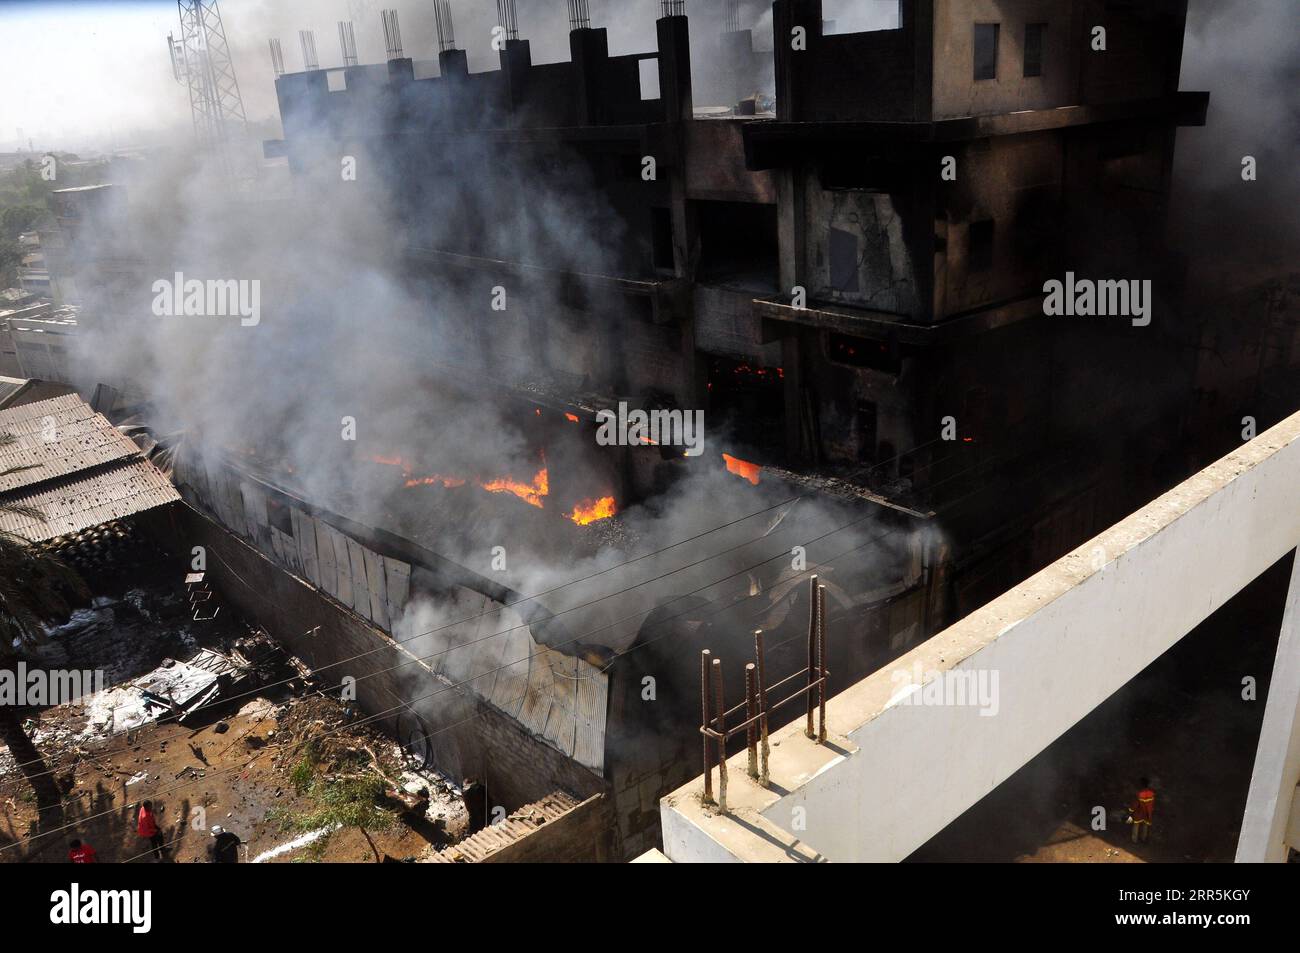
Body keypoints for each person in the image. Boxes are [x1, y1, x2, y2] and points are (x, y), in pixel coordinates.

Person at [1130, 778, 1156, 843]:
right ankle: (1143, 839)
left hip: (1139, 812)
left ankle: (1134, 840)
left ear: (1141, 784)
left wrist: (1131, 810)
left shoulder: (1139, 794)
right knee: (1145, 826)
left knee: (1136, 826)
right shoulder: (1152, 793)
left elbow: (1135, 804)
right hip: (1147, 812)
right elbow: (1152, 804)